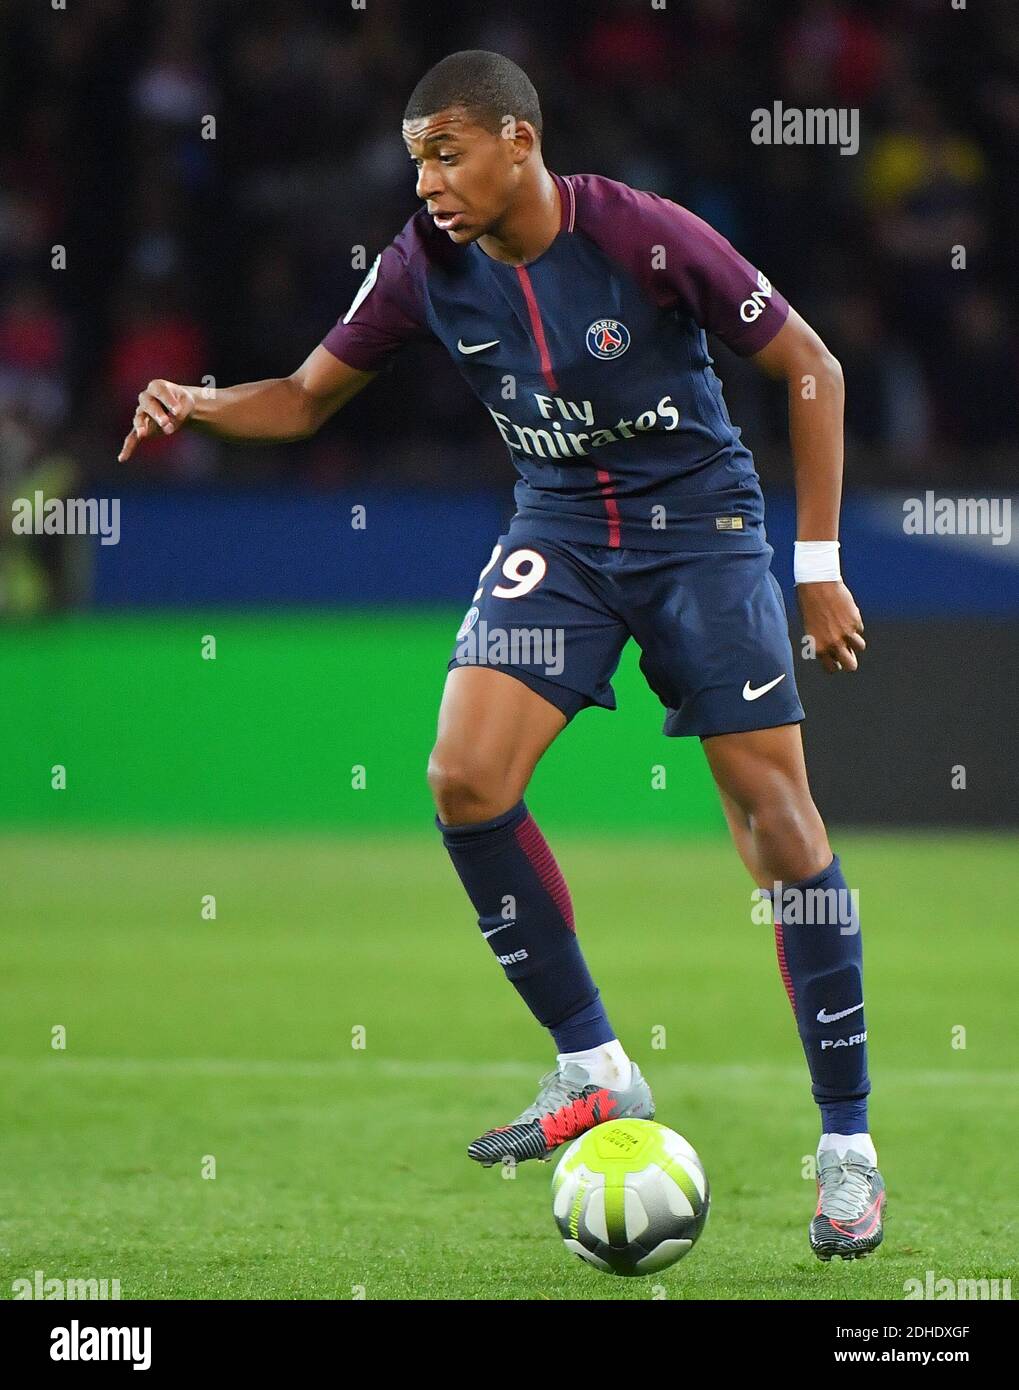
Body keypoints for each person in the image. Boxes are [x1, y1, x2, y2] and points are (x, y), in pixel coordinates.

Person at [119, 49, 883, 1261]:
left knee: (778, 828)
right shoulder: (421, 266)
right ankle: (594, 1066)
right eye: (416, 158)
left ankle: (844, 1147)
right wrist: (201, 401)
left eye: (447, 152)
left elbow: (810, 368)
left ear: (518, 144)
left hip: (700, 529)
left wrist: (818, 565)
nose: (425, 181)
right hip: (562, 533)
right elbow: (307, 397)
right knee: (462, 778)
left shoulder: (642, 233)